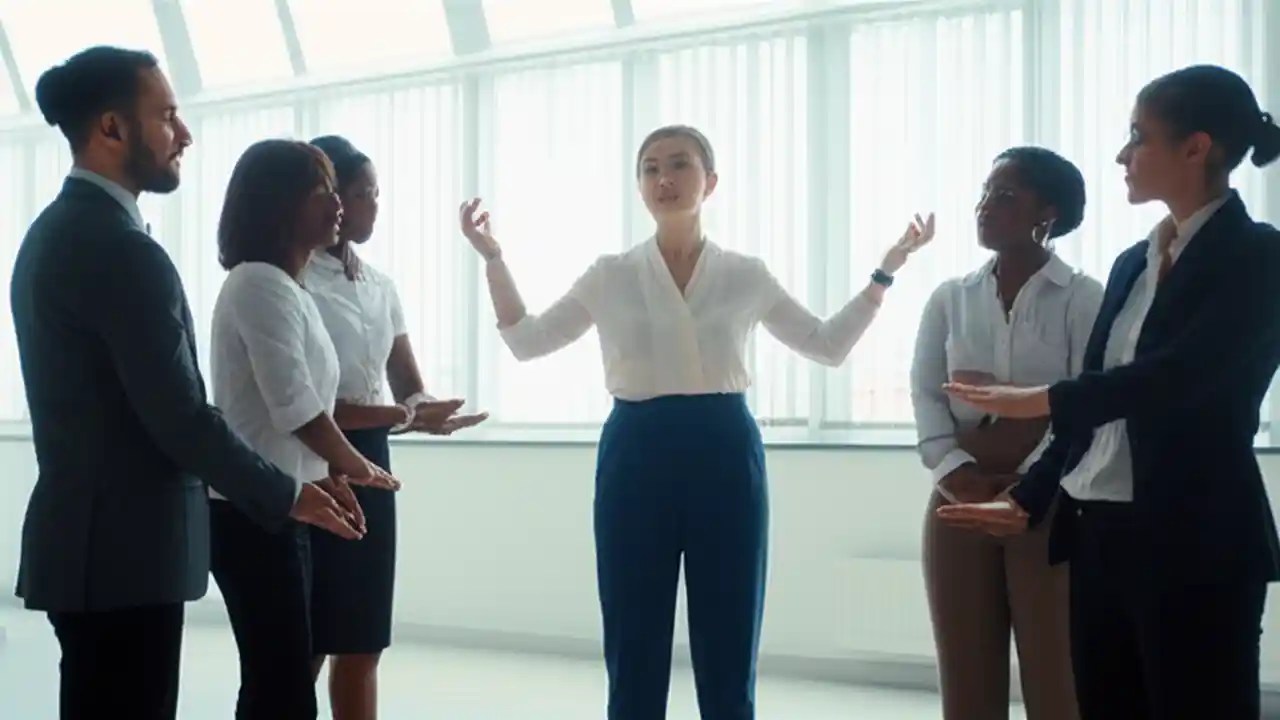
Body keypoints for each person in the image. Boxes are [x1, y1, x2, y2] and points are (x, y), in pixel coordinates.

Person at [459, 124, 934, 719]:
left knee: (729, 631)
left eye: (679, 164)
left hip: (724, 447)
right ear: (639, 186)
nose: (664, 178)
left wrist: (885, 271)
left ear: (710, 181)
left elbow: (827, 344)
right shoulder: (610, 274)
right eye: (650, 168)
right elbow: (528, 341)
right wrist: (494, 259)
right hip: (636, 448)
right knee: (633, 633)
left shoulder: (745, 273)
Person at [11, 47, 365, 720]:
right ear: (112, 128)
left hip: (95, 550)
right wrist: (289, 493)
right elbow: (179, 416)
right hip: (123, 557)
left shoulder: (57, 231)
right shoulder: (121, 249)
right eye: (168, 116)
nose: (184, 134)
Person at [938, 65, 1280, 719]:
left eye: (1138, 136)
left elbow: (1178, 377)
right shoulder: (1132, 264)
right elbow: (1094, 417)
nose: (1123, 155)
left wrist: (1043, 397)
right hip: (1097, 536)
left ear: (1195, 147)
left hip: (1196, 537)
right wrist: (1028, 497)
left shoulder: (1260, 256)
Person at [208, 139, 400, 720]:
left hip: (286, 503)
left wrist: (328, 475)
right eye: (323, 191)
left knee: (286, 681)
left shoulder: (286, 287)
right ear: (280, 204)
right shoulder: (258, 283)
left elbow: (300, 409)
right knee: (281, 686)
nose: (338, 203)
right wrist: (357, 465)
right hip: (254, 514)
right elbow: (297, 406)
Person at [304, 134, 488, 720]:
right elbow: (307, 403)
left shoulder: (381, 286)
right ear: (330, 199)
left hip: (371, 460)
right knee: (305, 639)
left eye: (377, 193)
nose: (374, 206)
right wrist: (405, 413)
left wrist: (426, 409)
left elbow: (405, 382)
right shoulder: (293, 281)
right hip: (309, 460)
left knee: (362, 637)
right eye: (363, 194)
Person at [911, 146, 1098, 720]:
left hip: (1047, 498)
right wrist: (955, 472)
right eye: (985, 194)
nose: (985, 206)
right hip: (959, 495)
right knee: (965, 675)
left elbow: (1087, 403)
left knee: (1056, 673)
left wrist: (1030, 479)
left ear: (1048, 213)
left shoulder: (1083, 297)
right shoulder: (950, 298)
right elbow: (926, 393)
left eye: (1006, 195)